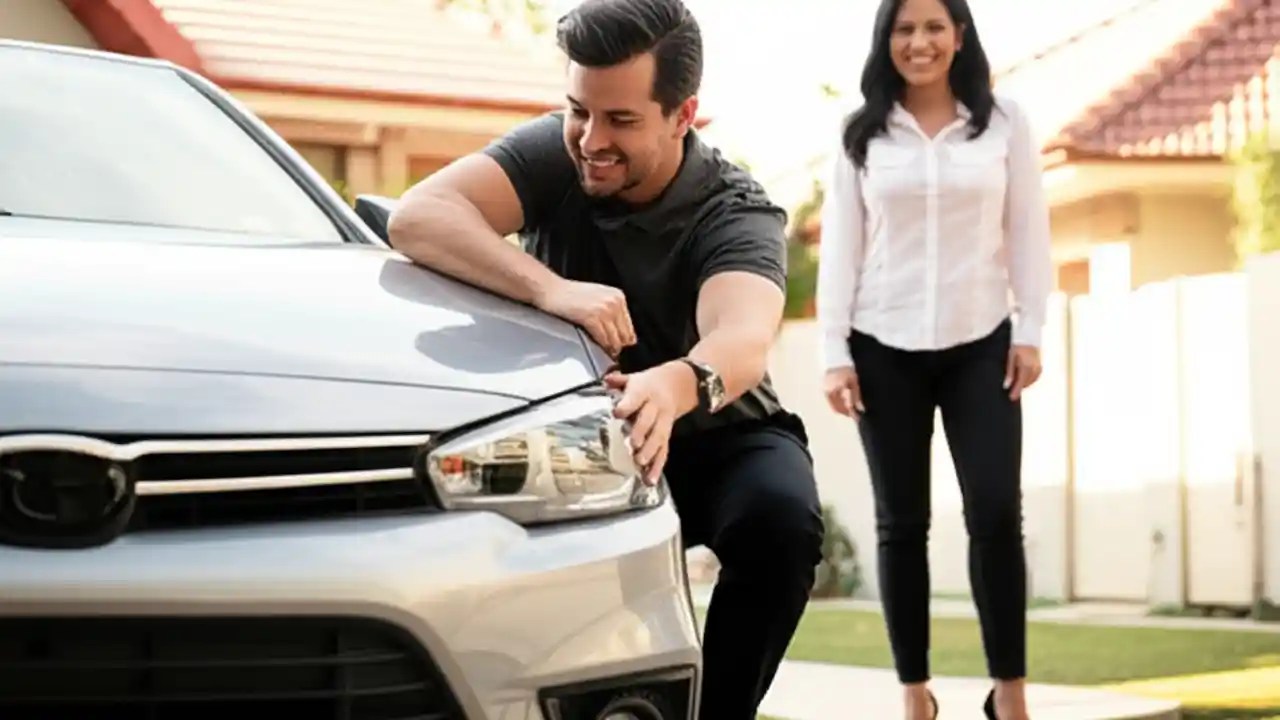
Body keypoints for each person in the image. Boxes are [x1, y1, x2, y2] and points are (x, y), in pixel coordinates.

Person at [386, 0, 825, 717]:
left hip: (716, 431)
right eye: (577, 110)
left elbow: (742, 339)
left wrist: (675, 382)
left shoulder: (735, 209)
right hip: (580, 436)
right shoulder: (555, 155)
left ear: (683, 115)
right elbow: (418, 217)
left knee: (780, 522)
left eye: (621, 120)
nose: (591, 138)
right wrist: (553, 290)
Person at [815, 0, 1052, 718]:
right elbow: (843, 245)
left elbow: (1029, 228)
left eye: (933, 27)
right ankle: (914, 692)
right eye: (905, 29)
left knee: (994, 512)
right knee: (901, 523)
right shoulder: (860, 134)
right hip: (881, 343)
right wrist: (833, 349)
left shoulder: (1004, 122)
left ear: (959, 35)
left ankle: (1009, 691)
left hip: (982, 340)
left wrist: (1031, 327)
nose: (919, 42)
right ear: (887, 41)